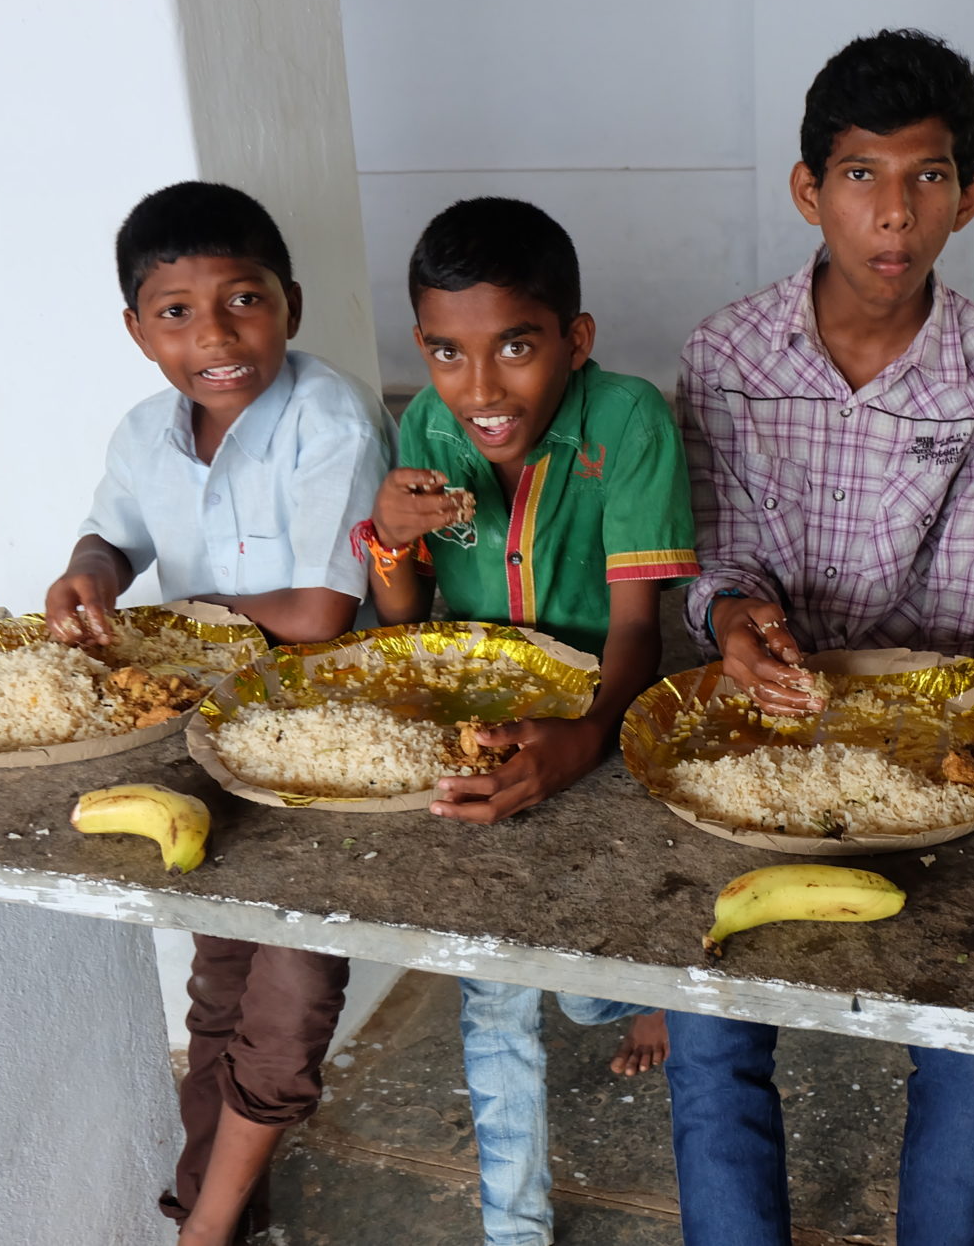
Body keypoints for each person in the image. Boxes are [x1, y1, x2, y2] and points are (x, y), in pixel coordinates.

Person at [670, 29, 974, 1246]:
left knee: (972, 1022)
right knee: (705, 1004)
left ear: (967, 197)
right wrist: (736, 619)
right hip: (758, 722)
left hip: (930, 737)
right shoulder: (726, 356)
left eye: (926, 177)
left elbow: (969, 613)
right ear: (808, 189)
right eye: (859, 176)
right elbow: (720, 556)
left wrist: (885, 724)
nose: (892, 214)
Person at [44, 181, 394, 1246]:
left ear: (290, 303)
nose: (216, 335)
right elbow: (113, 535)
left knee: (291, 988)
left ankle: (204, 1230)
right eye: (177, 312)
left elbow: (320, 613)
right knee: (220, 983)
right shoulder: (145, 434)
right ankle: (216, 1215)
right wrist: (89, 571)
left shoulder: (329, 418)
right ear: (137, 328)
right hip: (212, 739)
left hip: (325, 745)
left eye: (243, 300)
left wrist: (177, 620)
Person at [363, 196, 698, 1246]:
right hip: (481, 734)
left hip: (601, 717)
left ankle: (630, 996)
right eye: (446, 352)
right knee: (496, 986)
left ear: (573, 338)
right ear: (422, 346)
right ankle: (515, 1228)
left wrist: (586, 736)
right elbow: (404, 623)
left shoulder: (628, 422)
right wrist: (389, 540)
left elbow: (638, 629)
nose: (480, 387)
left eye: (514, 346)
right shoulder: (427, 429)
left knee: (589, 963)